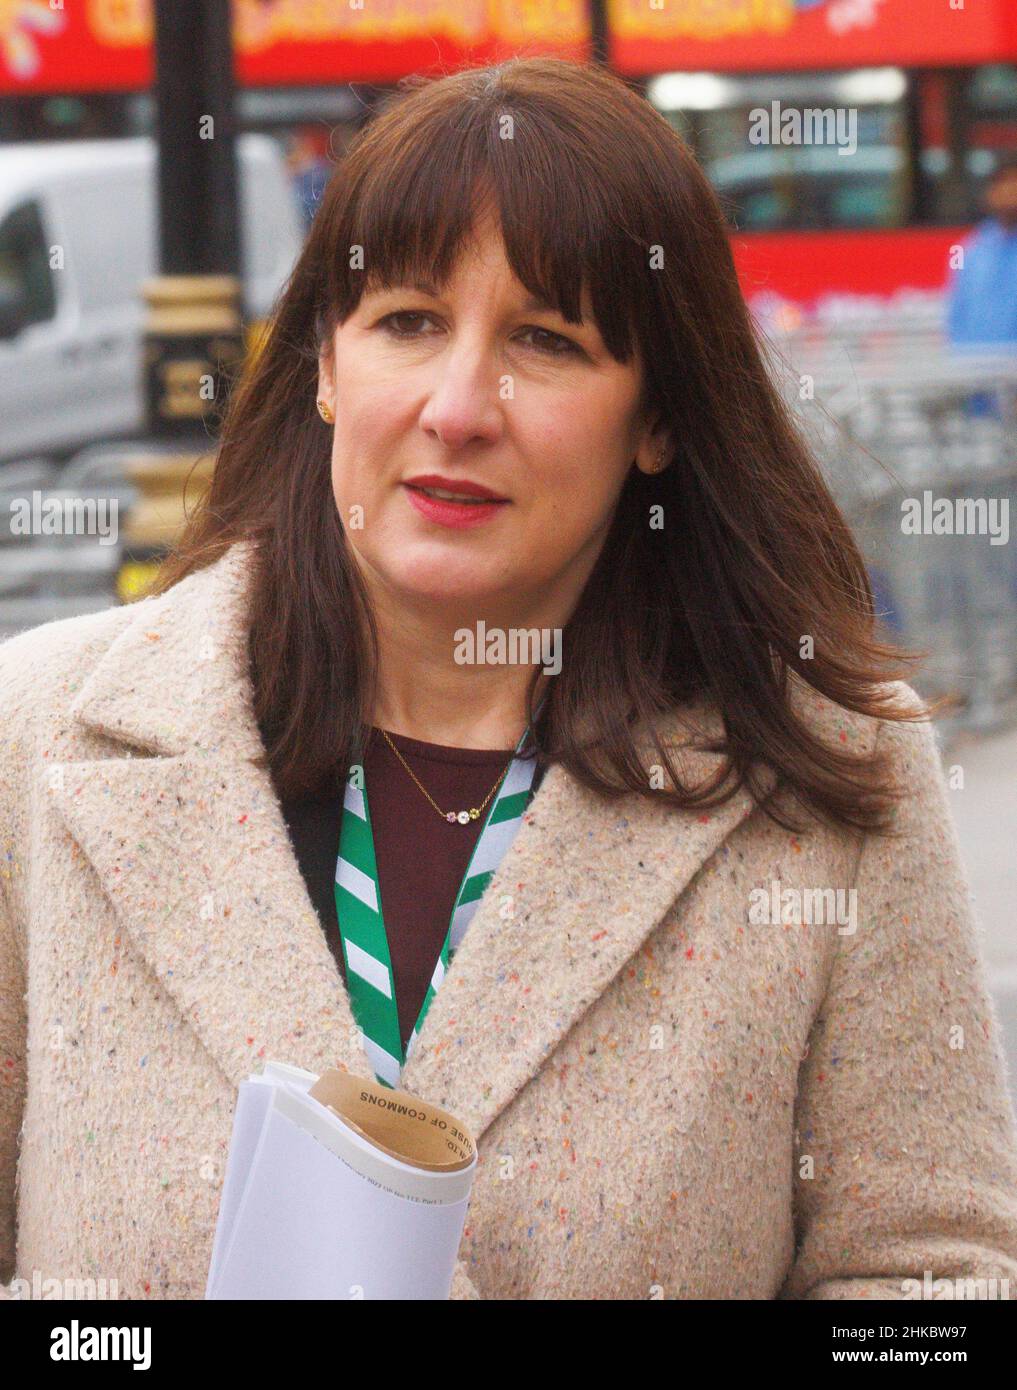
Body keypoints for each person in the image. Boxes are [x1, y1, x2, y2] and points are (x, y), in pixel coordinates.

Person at [1, 57, 1016, 1302]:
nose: (458, 406)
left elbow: (932, 1282)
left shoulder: (825, 777)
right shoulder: (43, 739)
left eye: (545, 340)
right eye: (409, 321)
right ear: (326, 362)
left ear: (658, 420)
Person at [945, 152, 1017, 349]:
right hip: (976, 368)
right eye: (1002, 185)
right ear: (990, 193)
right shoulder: (971, 250)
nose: (1009, 193)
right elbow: (957, 313)